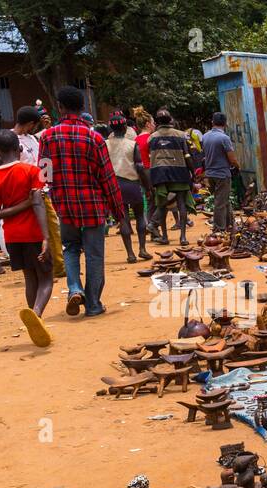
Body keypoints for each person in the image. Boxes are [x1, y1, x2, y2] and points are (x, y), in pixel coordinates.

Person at [38, 85, 124, 317]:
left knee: (70, 248)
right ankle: (94, 305)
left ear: (60, 107)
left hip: (64, 206)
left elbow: (44, 176)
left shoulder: (46, 137)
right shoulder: (95, 138)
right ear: (83, 107)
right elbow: (108, 179)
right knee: (95, 255)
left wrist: (55, 196)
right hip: (93, 207)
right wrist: (119, 213)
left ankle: (74, 288)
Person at [0, 128, 54, 345]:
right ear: (19, 148)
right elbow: (38, 203)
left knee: (30, 278)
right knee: (46, 279)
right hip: (33, 232)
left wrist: (20, 205)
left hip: (11, 235)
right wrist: (46, 237)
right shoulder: (32, 170)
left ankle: (35, 321)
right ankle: (37, 314)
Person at [13, 105, 65, 280]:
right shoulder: (11, 140)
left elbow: (42, 161)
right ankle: (43, 270)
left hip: (42, 191)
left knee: (53, 229)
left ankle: (58, 267)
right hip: (26, 195)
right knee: (36, 234)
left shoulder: (33, 139)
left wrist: (48, 182)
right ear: (29, 123)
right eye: (34, 125)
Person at [106, 111, 150, 262]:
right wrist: (148, 186)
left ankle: (130, 254)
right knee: (139, 216)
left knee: (123, 219)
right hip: (132, 183)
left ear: (111, 128)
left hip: (114, 185)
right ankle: (142, 249)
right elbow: (140, 168)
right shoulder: (132, 144)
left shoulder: (105, 144)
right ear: (125, 127)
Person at [146, 109, 193, 244]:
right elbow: (187, 156)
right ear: (170, 120)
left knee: (162, 205)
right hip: (179, 172)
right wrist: (193, 172)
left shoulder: (152, 138)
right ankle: (183, 237)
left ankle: (165, 237)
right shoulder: (181, 135)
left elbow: (151, 157)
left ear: (157, 122)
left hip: (160, 174)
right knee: (181, 204)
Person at [201, 111, 237, 232]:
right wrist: (237, 166)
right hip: (222, 174)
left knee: (223, 200)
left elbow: (205, 155)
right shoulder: (224, 138)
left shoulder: (205, 136)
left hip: (210, 174)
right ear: (225, 124)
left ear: (212, 122)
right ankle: (219, 229)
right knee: (220, 203)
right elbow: (232, 158)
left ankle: (230, 224)